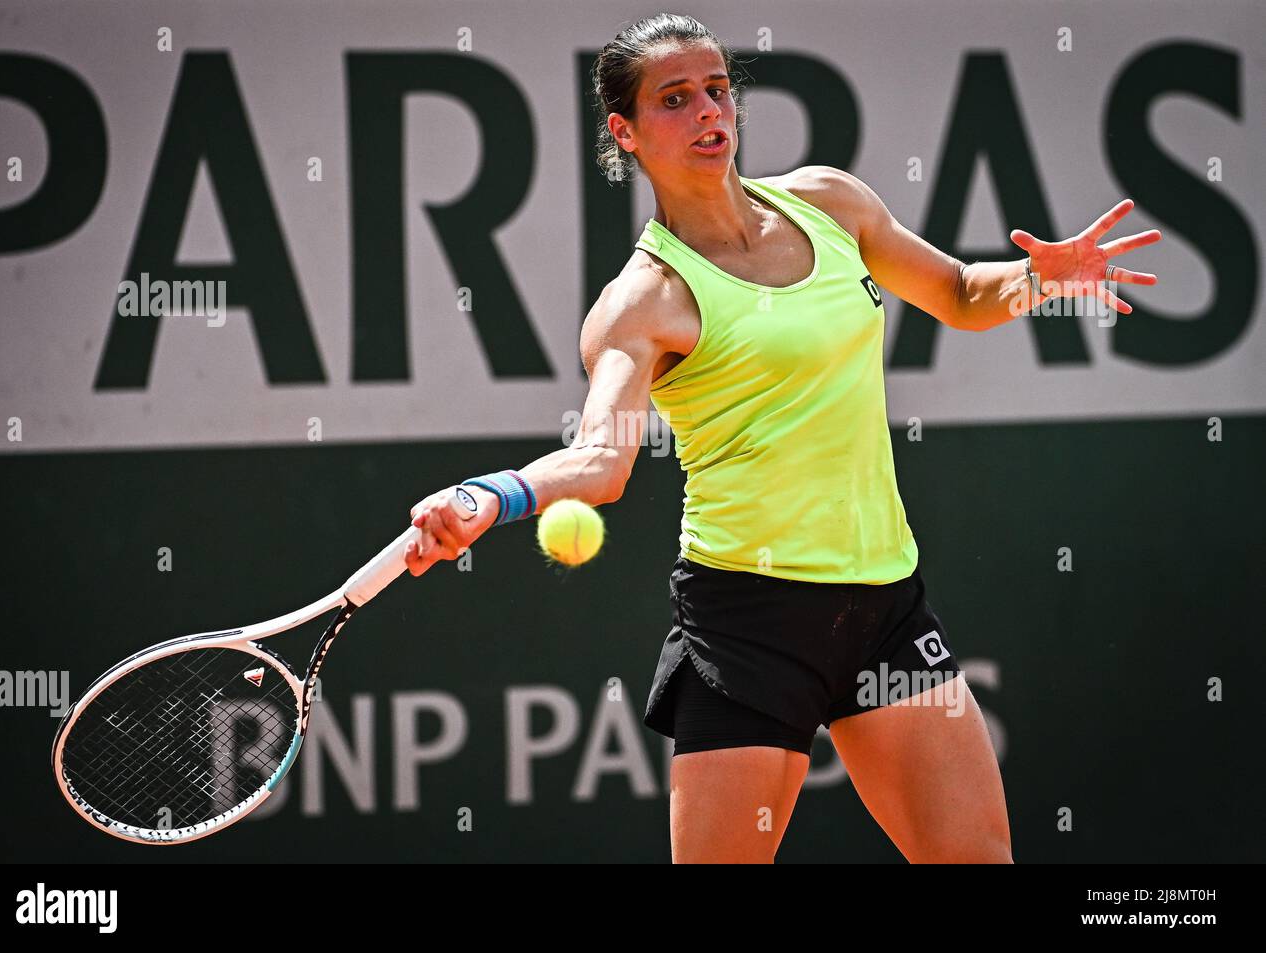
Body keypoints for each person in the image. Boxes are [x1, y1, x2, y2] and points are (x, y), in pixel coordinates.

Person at [399, 13, 1161, 863]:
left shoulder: (830, 202)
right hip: (748, 626)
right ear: (626, 131)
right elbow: (602, 463)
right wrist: (490, 496)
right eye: (675, 99)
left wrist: (1036, 278)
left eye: (718, 90)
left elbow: (958, 294)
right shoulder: (642, 302)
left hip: (886, 607)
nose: (707, 114)